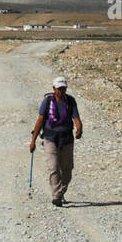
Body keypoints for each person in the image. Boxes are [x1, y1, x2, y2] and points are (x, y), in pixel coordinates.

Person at [28, 76, 82, 205]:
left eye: (63, 89)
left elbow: (76, 118)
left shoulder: (70, 101)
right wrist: (33, 140)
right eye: (59, 89)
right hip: (50, 139)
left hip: (67, 139)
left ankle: (61, 191)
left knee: (67, 171)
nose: (61, 91)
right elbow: (40, 120)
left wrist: (79, 129)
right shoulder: (47, 102)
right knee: (53, 168)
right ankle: (57, 196)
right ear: (54, 89)